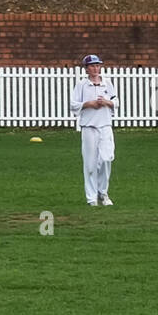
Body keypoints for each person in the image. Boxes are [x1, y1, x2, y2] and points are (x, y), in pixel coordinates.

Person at [70, 54, 118, 206]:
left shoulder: (107, 83)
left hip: (105, 125)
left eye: (97, 66)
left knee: (106, 159)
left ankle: (103, 193)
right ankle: (92, 198)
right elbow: (73, 104)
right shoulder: (82, 85)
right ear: (86, 69)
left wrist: (107, 102)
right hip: (89, 127)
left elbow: (116, 101)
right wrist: (88, 104)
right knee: (90, 164)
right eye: (92, 66)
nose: (95, 68)